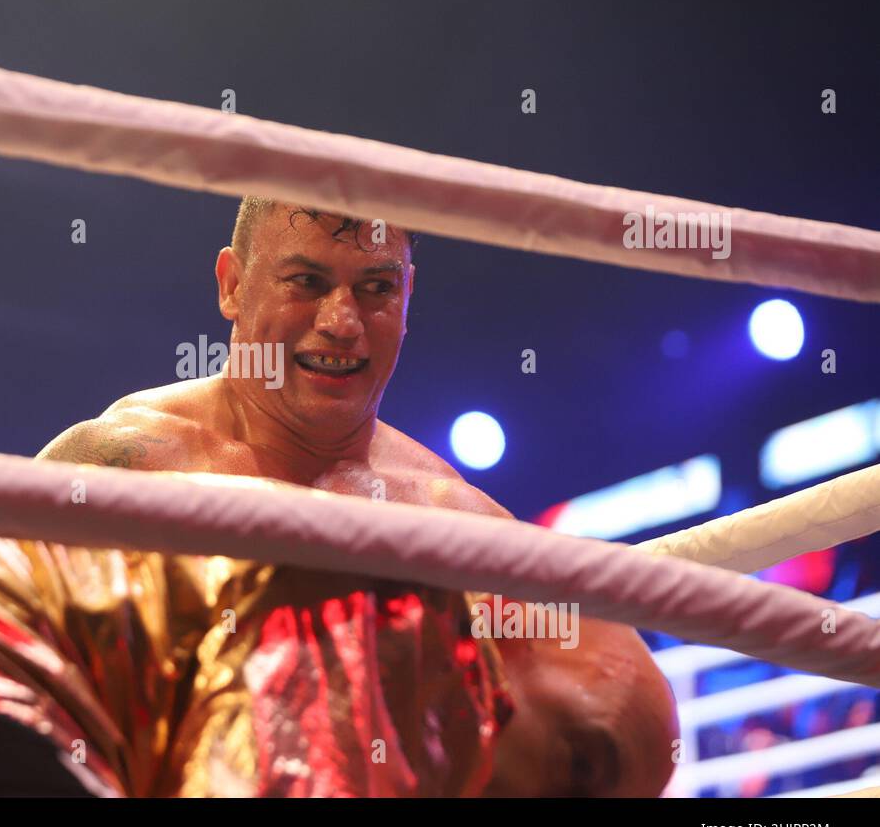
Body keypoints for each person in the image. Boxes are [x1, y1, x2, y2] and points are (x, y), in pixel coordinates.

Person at [39, 197, 679, 796]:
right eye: (307, 282)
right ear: (232, 284)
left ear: (407, 296)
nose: (342, 323)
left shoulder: (452, 519)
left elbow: (620, 730)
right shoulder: (123, 465)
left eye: (376, 288)